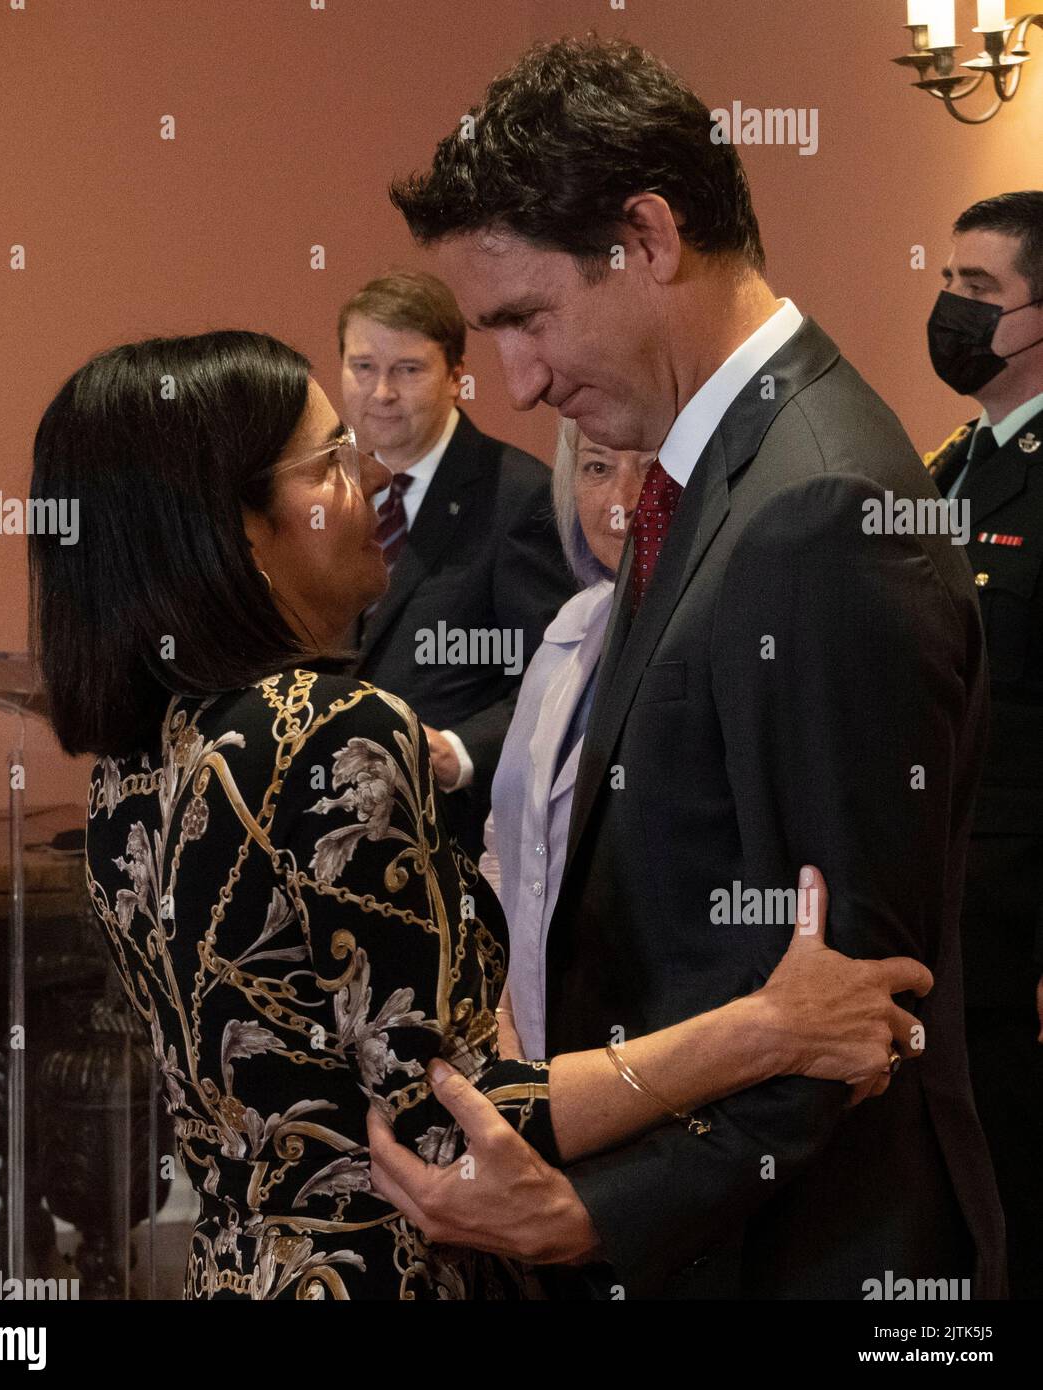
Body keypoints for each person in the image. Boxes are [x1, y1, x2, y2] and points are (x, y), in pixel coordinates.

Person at [29, 329, 933, 1300]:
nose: (373, 474)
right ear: (243, 526)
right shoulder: (330, 730)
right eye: (332, 457)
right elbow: (454, 1114)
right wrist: (771, 1027)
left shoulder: (130, 766)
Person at [369, 34, 1007, 1300]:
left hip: (808, 1251)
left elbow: (853, 1005)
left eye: (526, 318)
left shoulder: (812, 507)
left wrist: (589, 1213)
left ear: (647, 238)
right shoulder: (721, 471)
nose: (520, 379)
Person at [339, 271, 575, 858]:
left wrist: (460, 749)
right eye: (363, 366)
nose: (381, 392)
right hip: (337, 827)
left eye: (408, 370)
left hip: (453, 838)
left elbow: (557, 683)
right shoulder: (329, 496)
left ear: (456, 378)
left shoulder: (519, 498)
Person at [923, 190, 1043, 1299]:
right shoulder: (948, 460)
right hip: (940, 875)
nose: (949, 309)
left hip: (1018, 900)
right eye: (945, 283)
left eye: (979, 291)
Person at [480, 422, 652, 1057]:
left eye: (652, 466)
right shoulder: (572, 624)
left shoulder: (722, 640)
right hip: (532, 1051)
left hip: (658, 1059)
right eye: (598, 468)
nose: (621, 500)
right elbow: (508, 843)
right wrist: (495, 1004)